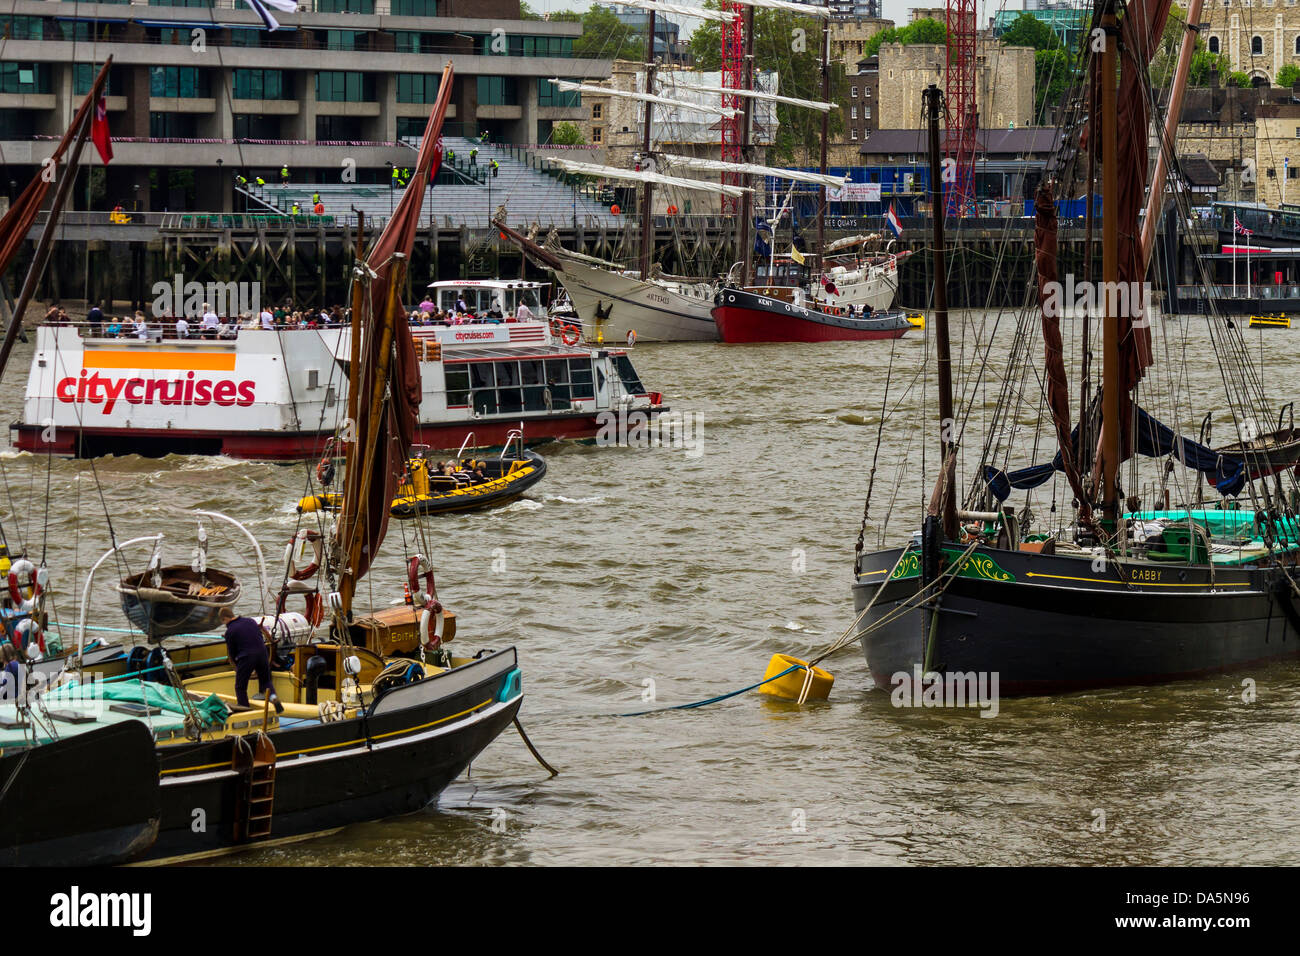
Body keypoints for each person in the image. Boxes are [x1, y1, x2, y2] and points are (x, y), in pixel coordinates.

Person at [219, 607, 282, 712]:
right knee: (266, 681)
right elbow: (260, 638)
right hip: (263, 654)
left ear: (225, 619)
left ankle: (245, 710)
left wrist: (238, 667)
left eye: (223, 622)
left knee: (240, 687)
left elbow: (232, 653)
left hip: (246, 657)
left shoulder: (230, 631)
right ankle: (274, 699)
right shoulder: (251, 621)